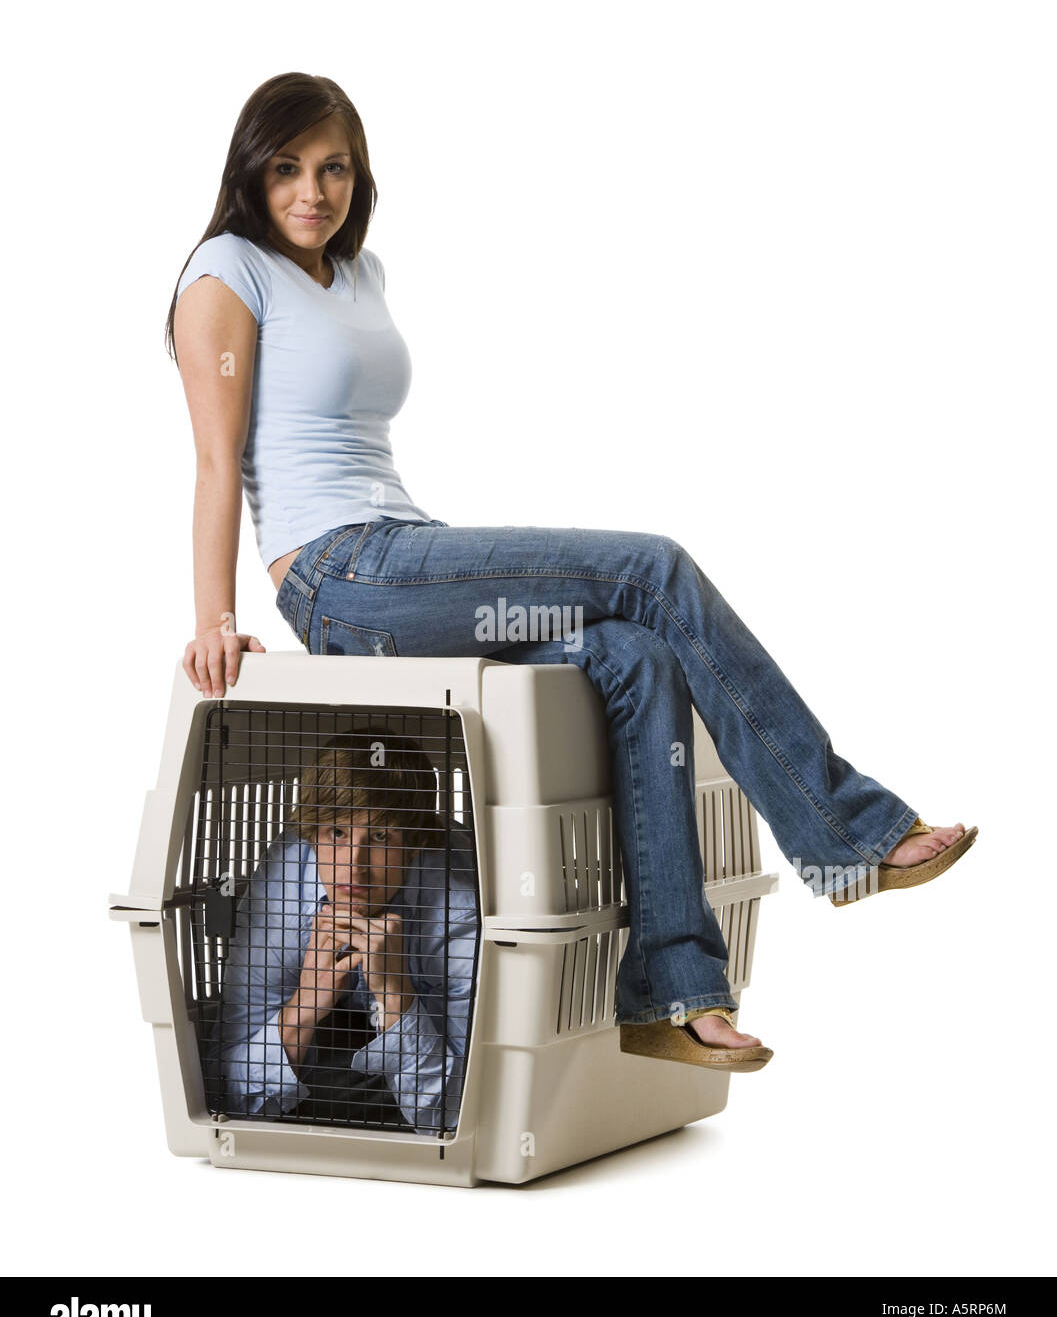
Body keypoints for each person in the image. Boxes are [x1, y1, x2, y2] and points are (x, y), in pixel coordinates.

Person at [169, 72, 977, 1075]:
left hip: (407, 554)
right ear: (251, 173)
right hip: (347, 579)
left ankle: (675, 992)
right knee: (652, 569)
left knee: (635, 654)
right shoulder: (226, 271)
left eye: (333, 169)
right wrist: (214, 617)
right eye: (287, 168)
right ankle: (843, 832)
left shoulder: (358, 273)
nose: (312, 192)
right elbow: (216, 462)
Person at [214, 728, 478, 1133]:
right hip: (338, 1042)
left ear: (415, 845)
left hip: (424, 1036)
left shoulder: (458, 905)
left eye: (380, 836)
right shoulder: (282, 886)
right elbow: (225, 1092)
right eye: (336, 833)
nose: (354, 867)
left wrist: (395, 994)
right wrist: (305, 1004)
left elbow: (457, 1115)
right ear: (311, 836)